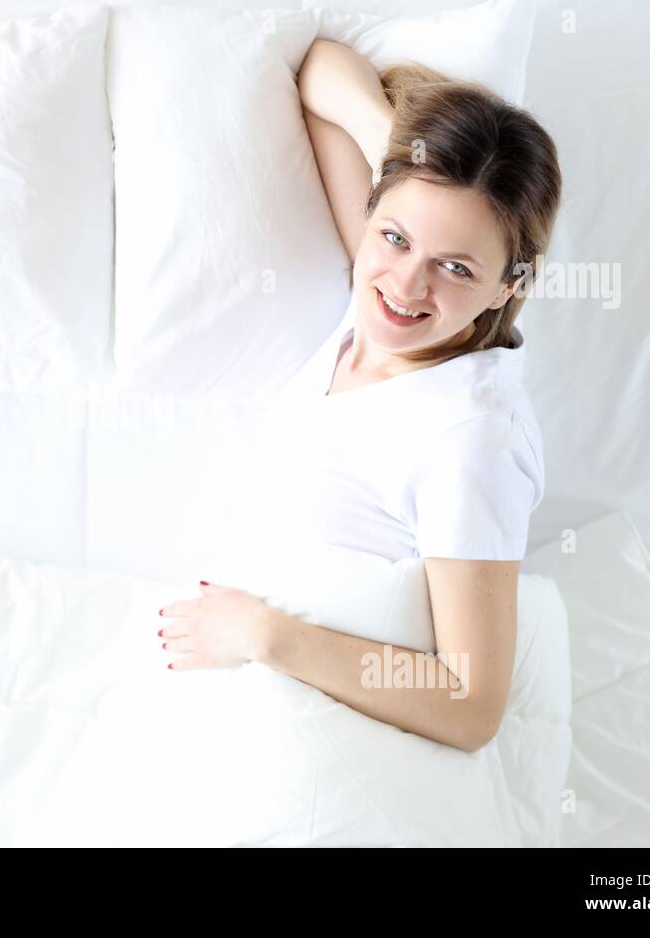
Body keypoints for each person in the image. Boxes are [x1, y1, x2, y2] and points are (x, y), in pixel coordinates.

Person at [155, 40, 563, 754]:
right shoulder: (379, 310)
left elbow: (470, 703)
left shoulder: (471, 441)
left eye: (455, 266)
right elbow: (320, 70)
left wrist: (265, 634)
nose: (406, 285)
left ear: (508, 287)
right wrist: (407, 159)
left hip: (329, 736)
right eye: (395, 237)